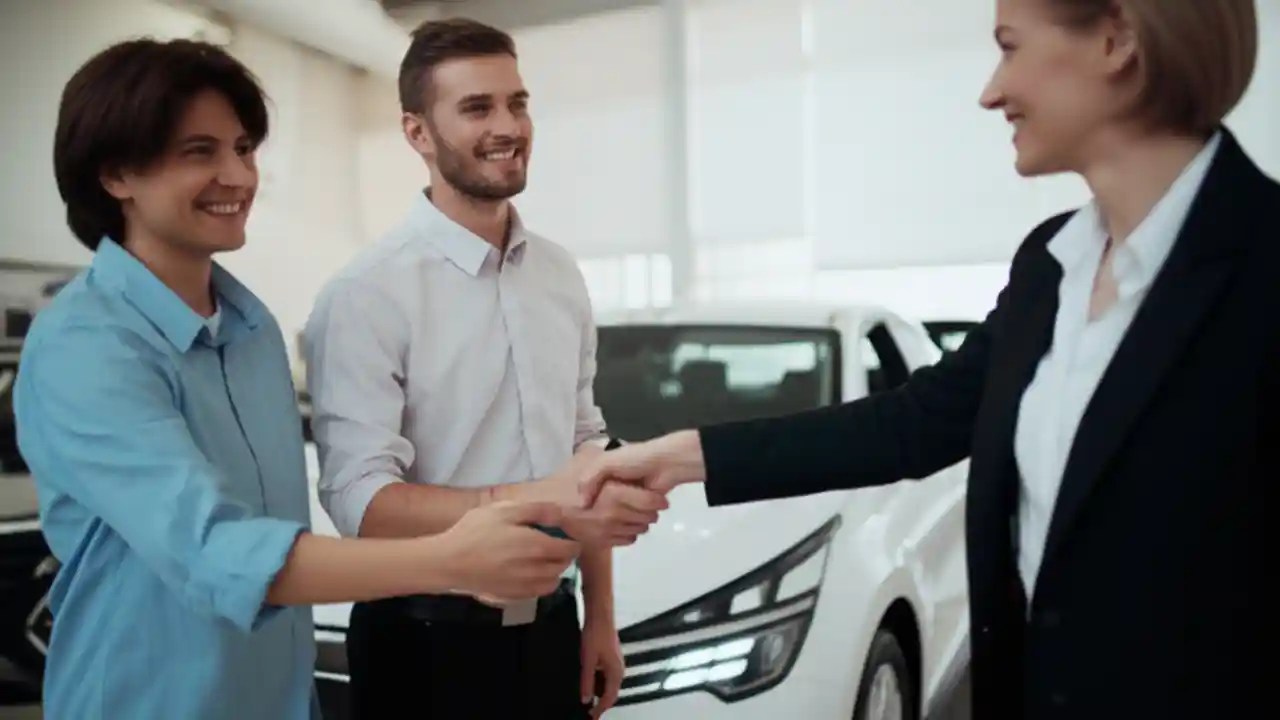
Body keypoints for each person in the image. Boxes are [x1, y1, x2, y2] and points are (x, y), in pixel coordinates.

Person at [580, 0, 1276, 717]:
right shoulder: (1051, 266)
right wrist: (682, 456)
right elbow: (913, 424)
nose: (990, 91)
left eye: (1010, 47)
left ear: (1116, 40)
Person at [15, 38, 580, 720]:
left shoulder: (251, 331)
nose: (238, 176)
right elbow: (218, 550)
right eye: (201, 152)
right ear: (115, 176)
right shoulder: (86, 342)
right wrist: (454, 559)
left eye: (245, 148)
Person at [302, 18, 666, 720]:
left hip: (554, 630)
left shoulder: (559, 275)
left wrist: (600, 615)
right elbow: (363, 503)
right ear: (417, 133)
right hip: (422, 644)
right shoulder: (365, 295)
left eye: (517, 102)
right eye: (477, 108)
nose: (508, 125)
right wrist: (542, 501)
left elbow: (583, 448)